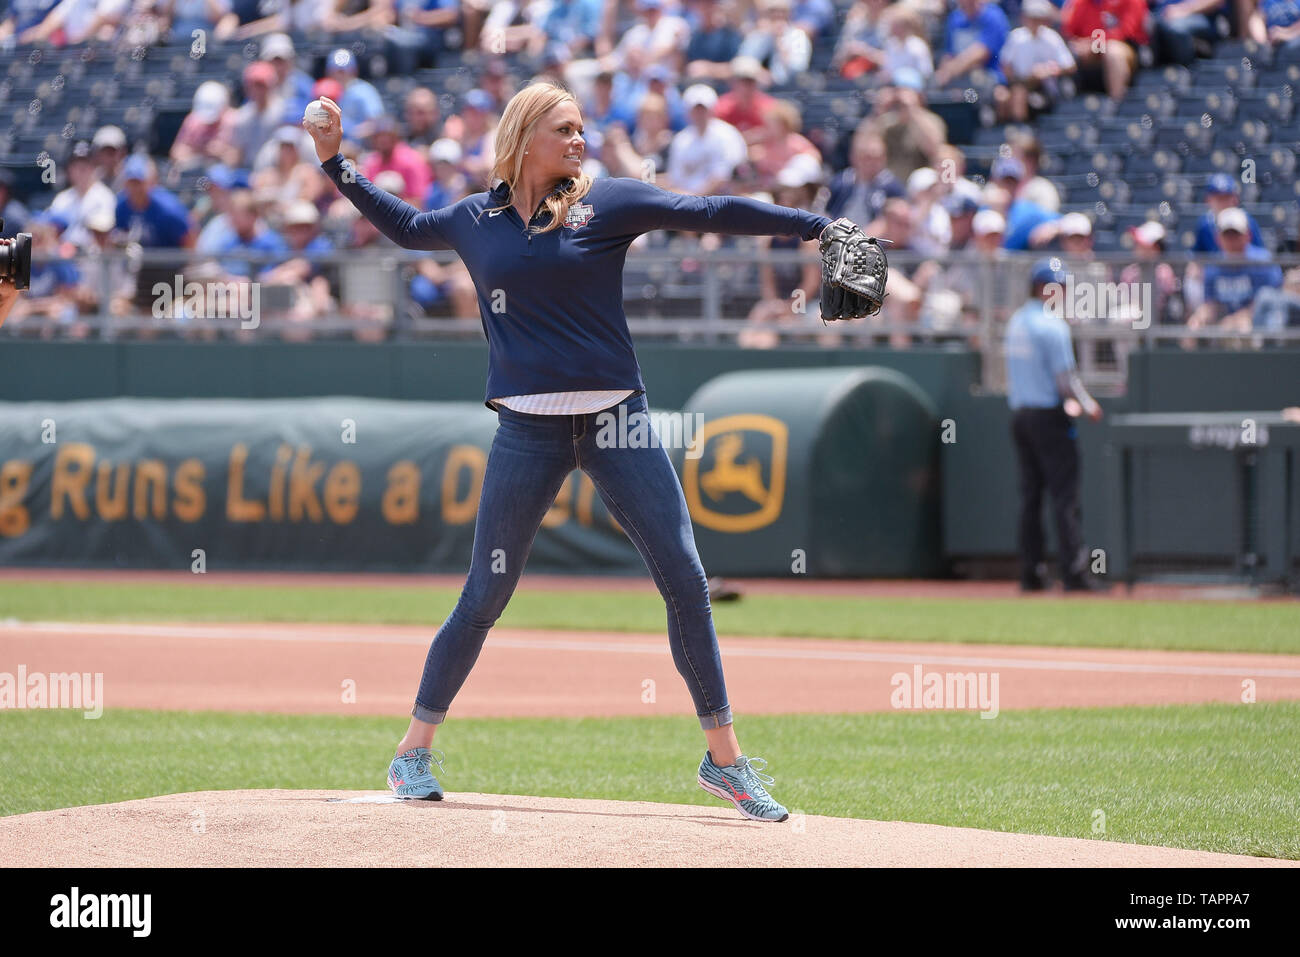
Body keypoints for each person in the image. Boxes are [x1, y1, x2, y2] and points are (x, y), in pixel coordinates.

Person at [302, 79, 859, 821]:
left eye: (580, 127)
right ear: (524, 134)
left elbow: (708, 210)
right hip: (526, 429)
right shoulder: (477, 219)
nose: (577, 139)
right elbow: (404, 225)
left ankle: (724, 761)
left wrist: (816, 225)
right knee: (484, 596)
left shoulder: (607, 202)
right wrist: (335, 161)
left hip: (617, 421)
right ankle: (412, 751)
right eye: (563, 128)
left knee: (686, 580)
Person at [1004, 259, 1104, 592]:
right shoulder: (1053, 325)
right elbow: (1066, 381)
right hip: (1048, 416)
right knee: (1064, 498)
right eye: (1058, 286)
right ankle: (1074, 574)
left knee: (1030, 497)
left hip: (1021, 417)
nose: (1062, 292)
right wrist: (1089, 405)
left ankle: (1031, 573)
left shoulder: (1016, 322)